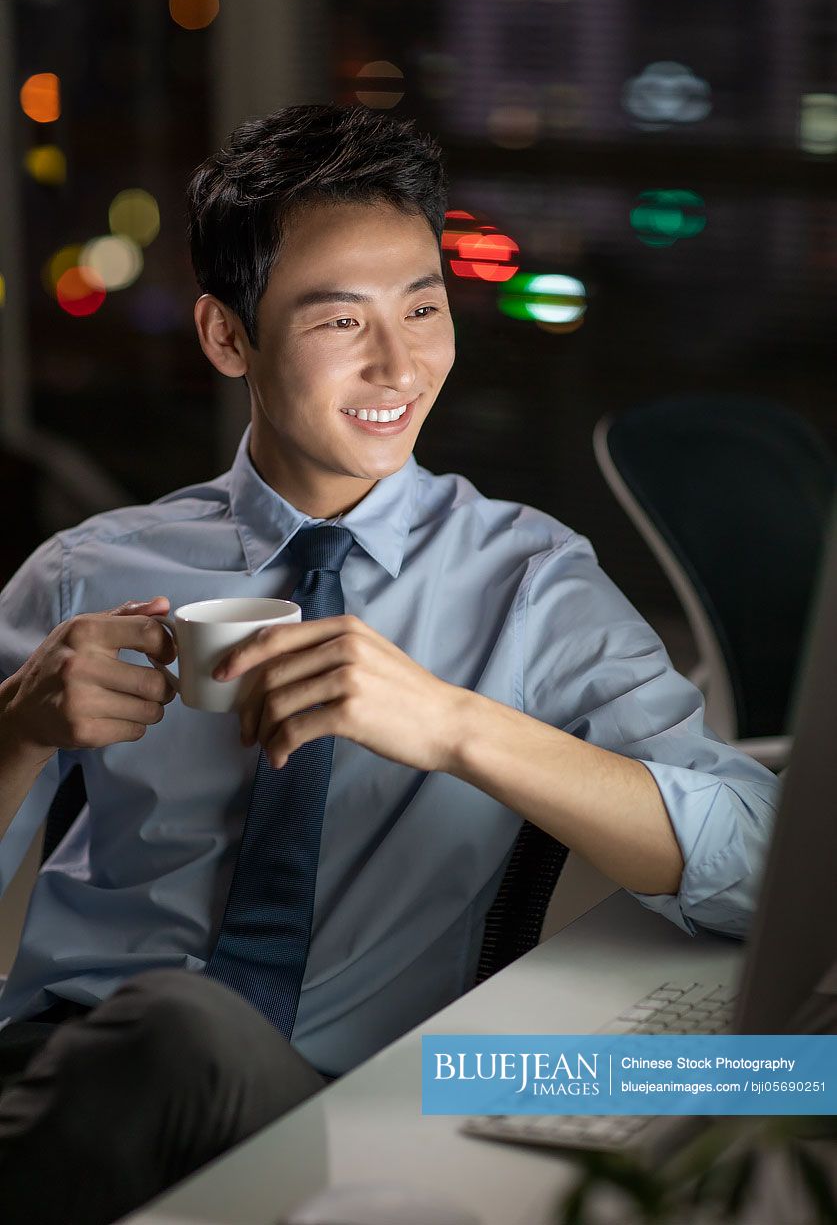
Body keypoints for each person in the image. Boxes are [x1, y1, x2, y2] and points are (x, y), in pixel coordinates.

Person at [0, 104, 779, 1223]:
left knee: (184, 1030)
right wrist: (19, 727)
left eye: (424, 306)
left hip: (332, 1108)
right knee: (147, 1041)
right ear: (229, 339)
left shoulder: (533, 584)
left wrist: (457, 726)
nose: (401, 363)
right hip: (58, 1068)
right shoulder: (91, 571)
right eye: (340, 320)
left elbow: (763, 867)